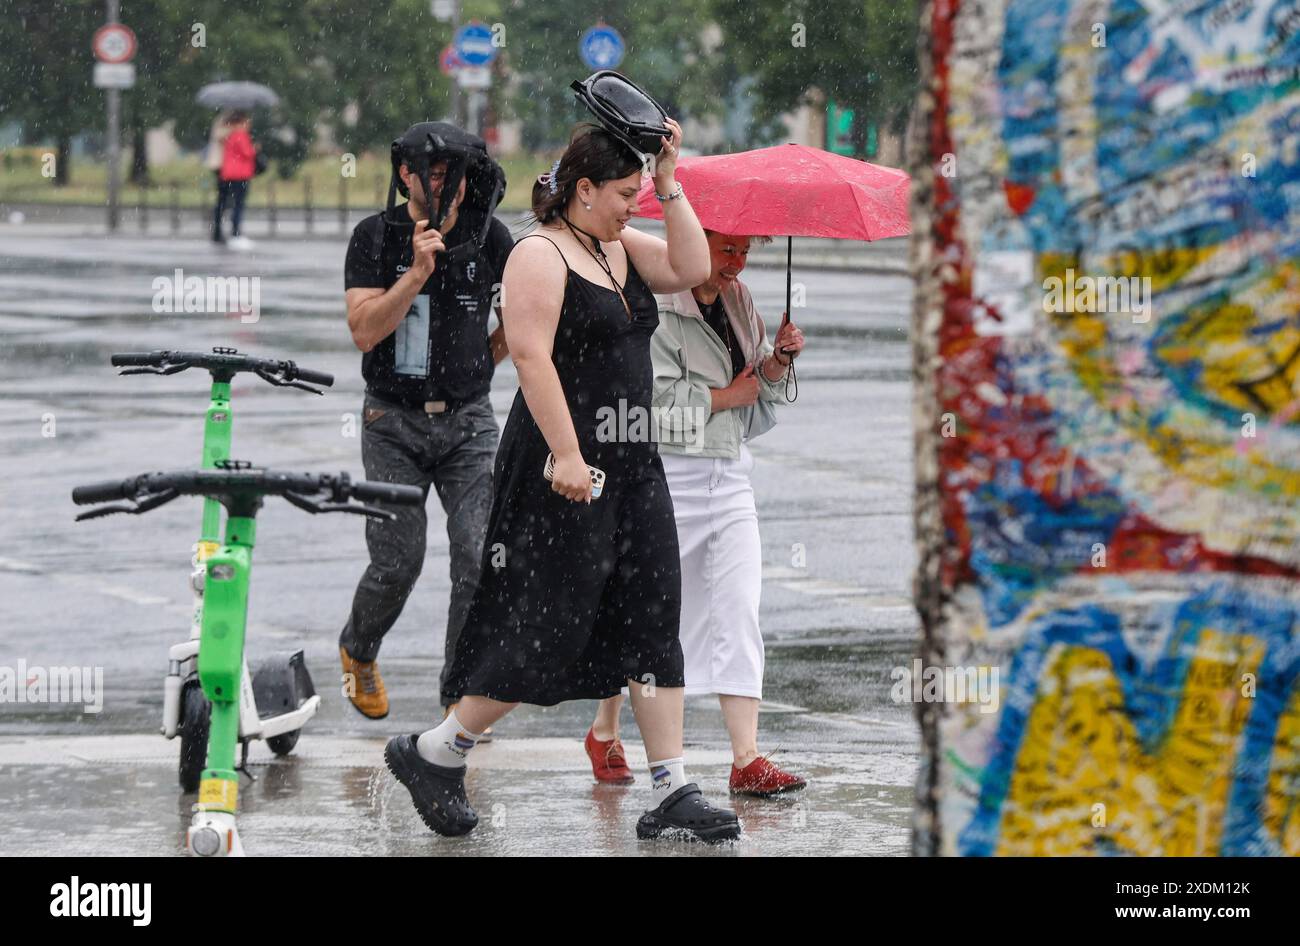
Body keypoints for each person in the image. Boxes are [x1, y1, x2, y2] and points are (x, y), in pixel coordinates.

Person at [384, 117, 743, 842]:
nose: (631, 204)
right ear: (582, 190)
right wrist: (570, 456)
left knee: (653, 610)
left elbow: (692, 266)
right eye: (623, 192)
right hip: (562, 466)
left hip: (633, 459)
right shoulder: (540, 256)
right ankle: (436, 750)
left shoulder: (615, 246)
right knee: (546, 625)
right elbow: (530, 356)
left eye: (639, 192)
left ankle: (671, 785)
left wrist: (670, 182)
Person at [582, 230, 808, 796]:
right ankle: (604, 729)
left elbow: (757, 398)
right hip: (667, 477)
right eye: (726, 250)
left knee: (738, 608)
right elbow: (651, 412)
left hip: (730, 475)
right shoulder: (657, 306)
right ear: (696, 241)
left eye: (745, 252)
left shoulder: (741, 301)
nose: (736, 264)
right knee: (647, 614)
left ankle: (746, 758)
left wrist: (776, 366)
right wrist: (725, 396)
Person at [339, 122, 513, 722]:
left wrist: (479, 363)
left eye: (456, 175)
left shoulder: (490, 238)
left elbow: (525, 314)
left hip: (468, 423)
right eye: (434, 174)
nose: (447, 187)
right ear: (406, 174)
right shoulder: (374, 238)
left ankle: (457, 697)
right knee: (398, 559)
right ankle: (358, 649)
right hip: (392, 421)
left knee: (476, 553)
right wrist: (414, 273)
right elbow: (363, 330)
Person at [213, 112, 256, 249]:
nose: (248, 126)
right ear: (239, 123)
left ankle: (217, 232)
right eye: (246, 123)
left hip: (226, 174)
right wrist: (255, 148)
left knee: (222, 204)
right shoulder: (240, 135)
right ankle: (235, 232)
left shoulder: (226, 136)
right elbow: (247, 153)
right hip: (240, 174)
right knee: (238, 204)